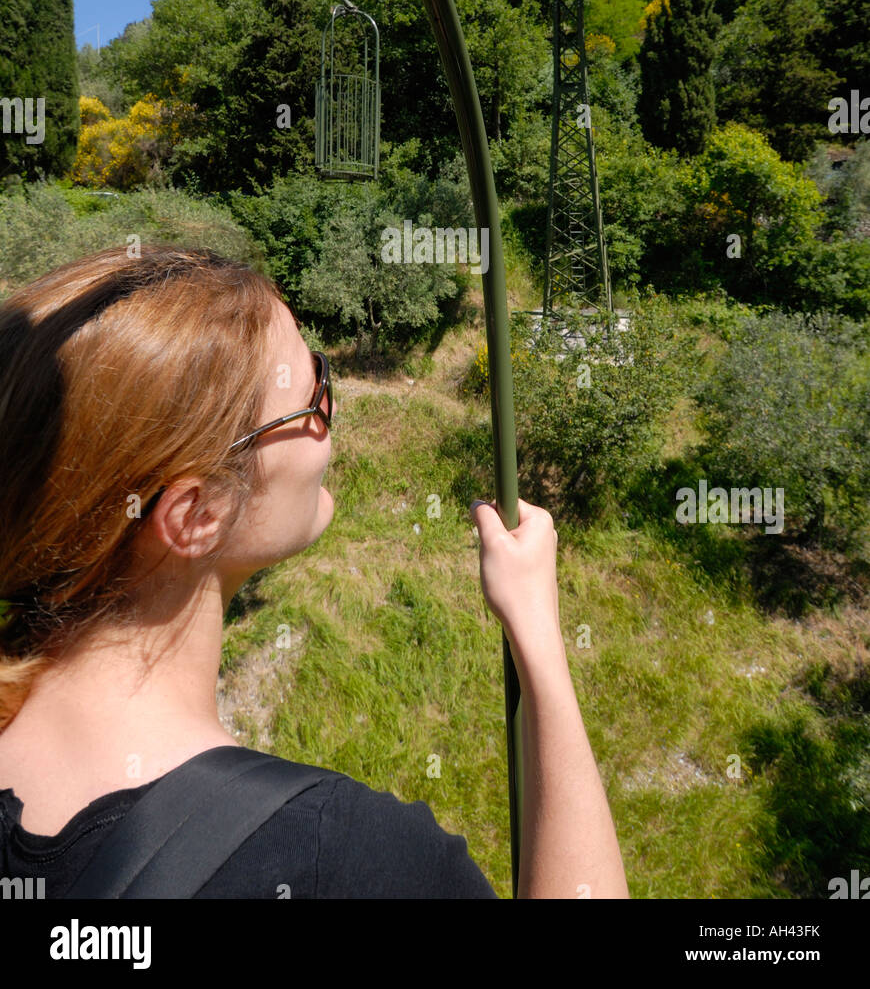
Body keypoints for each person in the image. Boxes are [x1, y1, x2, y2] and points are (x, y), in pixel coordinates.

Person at [0, 245, 628, 899]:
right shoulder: (348, 856)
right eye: (313, 398)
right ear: (196, 515)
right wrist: (541, 642)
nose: (332, 413)